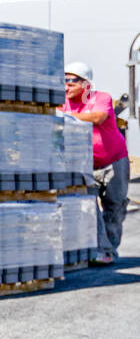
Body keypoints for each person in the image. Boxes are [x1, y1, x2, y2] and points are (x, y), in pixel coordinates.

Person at [61, 62, 129, 265]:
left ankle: (110, 249)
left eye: (72, 82)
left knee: (114, 207)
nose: (66, 86)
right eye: (64, 81)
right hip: (86, 165)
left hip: (114, 161)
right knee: (89, 206)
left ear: (86, 84)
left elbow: (98, 117)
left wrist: (67, 116)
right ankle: (103, 250)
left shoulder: (100, 98)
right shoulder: (63, 103)